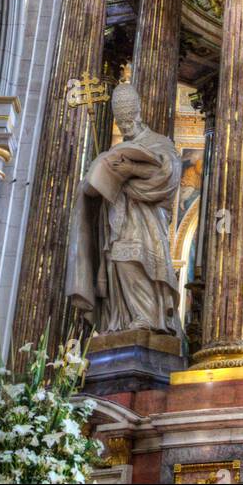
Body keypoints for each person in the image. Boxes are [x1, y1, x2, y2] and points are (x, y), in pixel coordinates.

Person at [66, 83, 181, 336]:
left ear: (138, 114)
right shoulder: (115, 151)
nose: (125, 127)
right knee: (118, 262)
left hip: (146, 226)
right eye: (122, 123)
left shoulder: (159, 143)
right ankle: (121, 321)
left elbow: (169, 175)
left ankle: (148, 319)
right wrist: (95, 179)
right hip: (118, 224)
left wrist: (132, 171)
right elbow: (90, 191)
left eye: (129, 122)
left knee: (133, 261)